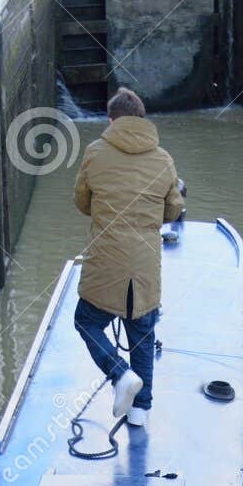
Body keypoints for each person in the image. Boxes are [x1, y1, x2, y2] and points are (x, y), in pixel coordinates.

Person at [73, 87, 185, 429]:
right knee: (142, 334)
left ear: (111, 119)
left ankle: (119, 373)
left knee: (87, 322)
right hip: (145, 266)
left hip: (106, 261)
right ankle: (141, 411)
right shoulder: (163, 159)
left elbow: (82, 201)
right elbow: (173, 209)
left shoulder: (95, 153)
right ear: (141, 119)